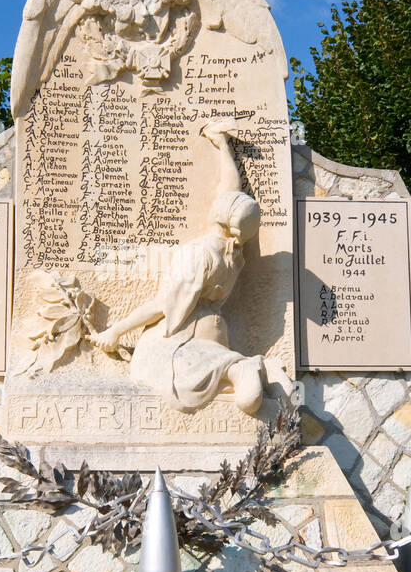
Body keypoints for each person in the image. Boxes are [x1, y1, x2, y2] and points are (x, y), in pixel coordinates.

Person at [90, 120, 294, 413]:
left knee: (153, 369)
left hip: (186, 336)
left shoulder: (198, 255)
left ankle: (243, 367)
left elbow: (163, 305)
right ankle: (246, 369)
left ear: (220, 216)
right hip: (215, 333)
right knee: (216, 377)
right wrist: (223, 146)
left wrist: (116, 331)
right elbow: (231, 189)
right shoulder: (235, 253)